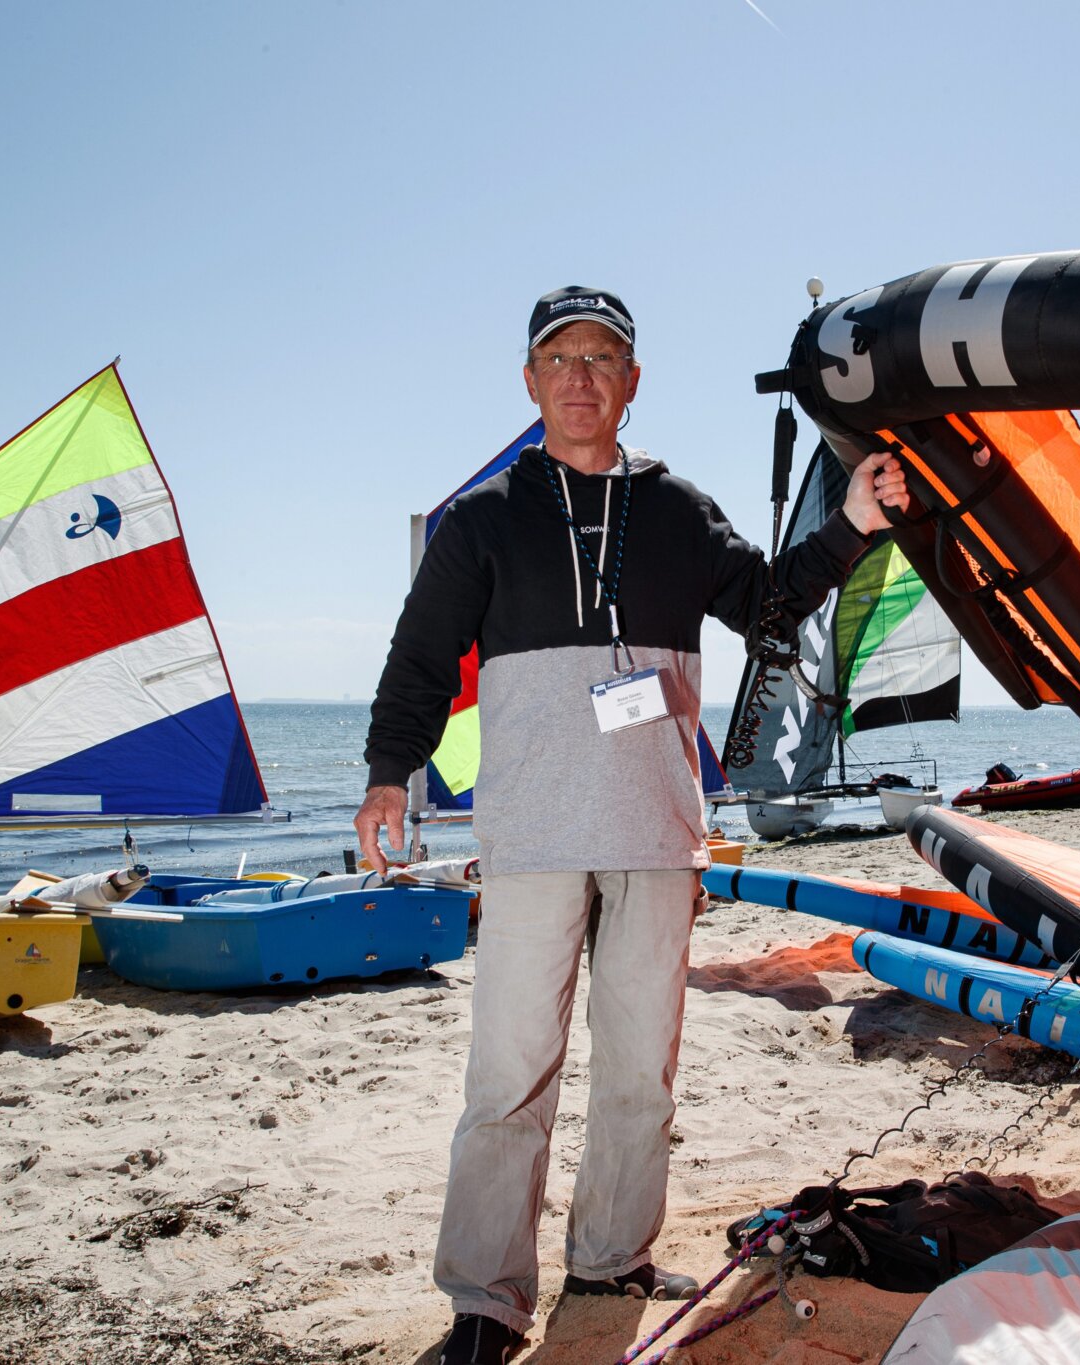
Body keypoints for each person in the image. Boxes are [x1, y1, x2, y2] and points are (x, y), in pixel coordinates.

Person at [354, 286, 909, 1364]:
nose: (577, 376)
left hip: (657, 831)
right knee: (509, 1075)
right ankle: (483, 1298)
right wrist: (389, 774)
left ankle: (612, 1257)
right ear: (529, 380)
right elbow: (418, 661)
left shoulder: (677, 510)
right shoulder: (482, 519)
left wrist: (850, 526)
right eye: (557, 358)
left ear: (631, 381)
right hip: (529, 836)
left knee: (638, 1072)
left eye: (600, 358)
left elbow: (764, 602)